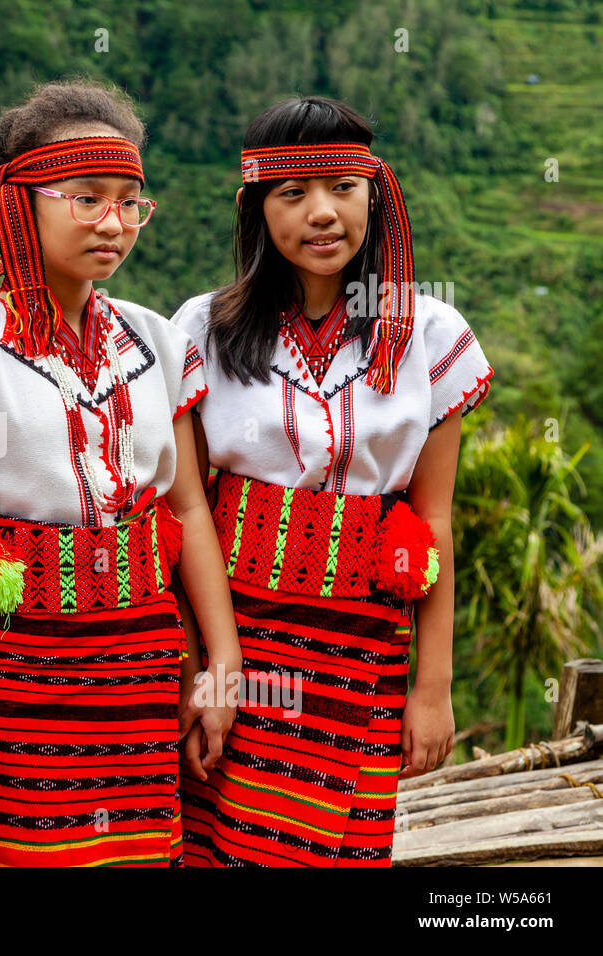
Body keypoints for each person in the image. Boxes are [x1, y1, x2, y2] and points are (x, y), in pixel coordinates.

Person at [0, 80, 241, 866]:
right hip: (18, 669)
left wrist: (221, 661)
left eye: (129, 201)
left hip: (142, 664)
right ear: (21, 204)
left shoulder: (158, 344)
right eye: (87, 199)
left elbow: (186, 502)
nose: (114, 223)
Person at [172, 96, 494, 866]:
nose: (322, 215)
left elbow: (435, 521)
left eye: (343, 188)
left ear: (374, 194)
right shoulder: (202, 331)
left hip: (364, 650)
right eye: (293, 194)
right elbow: (183, 513)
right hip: (239, 643)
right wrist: (205, 669)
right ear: (257, 206)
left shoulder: (430, 337)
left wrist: (432, 689)